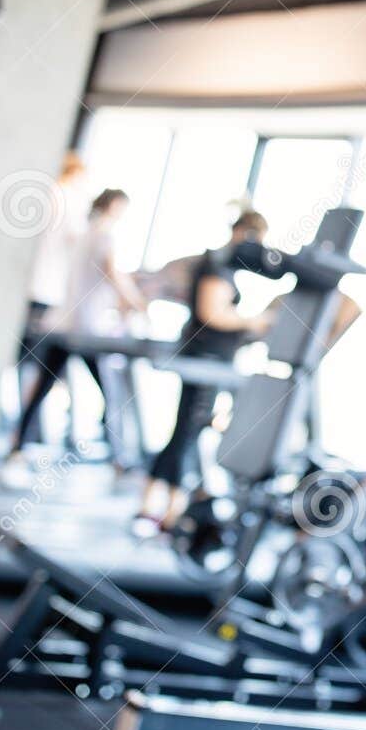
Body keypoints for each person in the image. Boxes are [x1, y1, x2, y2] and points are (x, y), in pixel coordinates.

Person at [135, 209, 273, 530]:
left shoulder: (220, 264)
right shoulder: (218, 265)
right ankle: (167, 510)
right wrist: (255, 320)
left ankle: (163, 505)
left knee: (187, 431)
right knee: (187, 431)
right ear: (244, 234)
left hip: (210, 357)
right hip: (207, 358)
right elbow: (212, 313)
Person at [10, 188, 147, 463]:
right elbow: (112, 274)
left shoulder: (86, 234)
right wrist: (135, 301)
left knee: (44, 386)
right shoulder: (103, 236)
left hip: (65, 323)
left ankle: (18, 445)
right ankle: (118, 456)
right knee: (110, 391)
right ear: (115, 207)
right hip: (86, 327)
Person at [15, 152, 87, 446]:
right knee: (37, 365)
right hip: (47, 291)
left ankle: (26, 434)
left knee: (28, 365)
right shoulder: (66, 197)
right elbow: (76, 242)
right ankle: (23, 435)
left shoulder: (45, 194)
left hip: (31, 288)